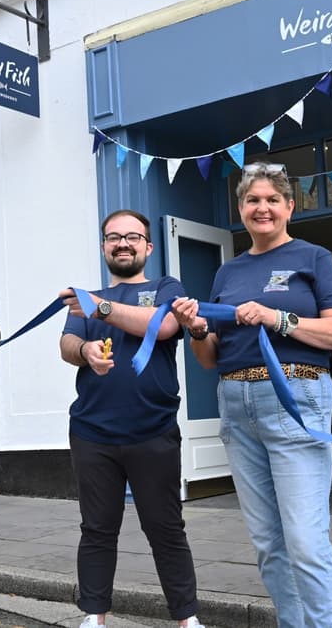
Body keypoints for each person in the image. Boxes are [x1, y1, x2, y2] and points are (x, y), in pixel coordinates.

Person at [171, 162, 332, 627]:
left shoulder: (314, 258)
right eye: (253, 200)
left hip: (297, 398)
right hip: (236, 404)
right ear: (241, 209)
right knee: (269, 544)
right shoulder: (228, 272)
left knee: (306, 542)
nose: (263, 207)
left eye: (273, 199)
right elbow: (212, 357)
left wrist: (279, 319)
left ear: (290, 206)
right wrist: (195, 330)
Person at [58, 209, 205, 628]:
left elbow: (161, 327)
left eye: (132, 237)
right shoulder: (86, 298)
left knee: (165, 529)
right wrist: (84, 352)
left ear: (148, 246)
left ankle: (187, 619)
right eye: (113, 237)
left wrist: (100, 308)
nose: (123, 243)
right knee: (97, 529)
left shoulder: (166, 287)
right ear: (104, 245)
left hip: (152, 430)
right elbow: (67, 341)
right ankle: (93, 617)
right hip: (92, 431)